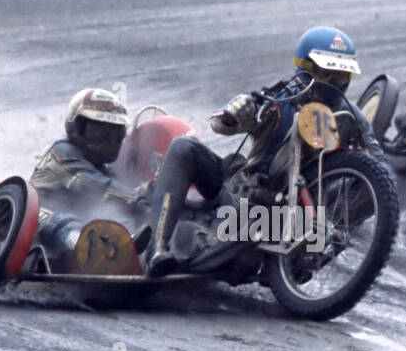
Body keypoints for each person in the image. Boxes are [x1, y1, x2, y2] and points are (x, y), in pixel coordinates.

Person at [142, 26, 388, 277]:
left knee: (376, 189)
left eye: (341, 75)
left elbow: (381, 167)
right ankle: (157, 250)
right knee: (184, 147)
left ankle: (313, 255)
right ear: (305, 68)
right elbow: (222, 123)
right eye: (327, 73)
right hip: (245, 194)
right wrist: (236, 113)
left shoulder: (351, 118)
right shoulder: (278, 99)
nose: (334, 82)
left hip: (303, 212)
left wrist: (373, 188)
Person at [29, 87, 147, 270]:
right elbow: (98, 187)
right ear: (76, 127)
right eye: (98, 131)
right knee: (52, 219)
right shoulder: (63, 153)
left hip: (70, 247)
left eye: (115, 133)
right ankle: (92, 249)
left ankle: (124, 252)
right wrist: (138, 201)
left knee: (116, 216)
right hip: (36, 227)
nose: (108, 140)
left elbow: (117, 197)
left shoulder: (103, 170)